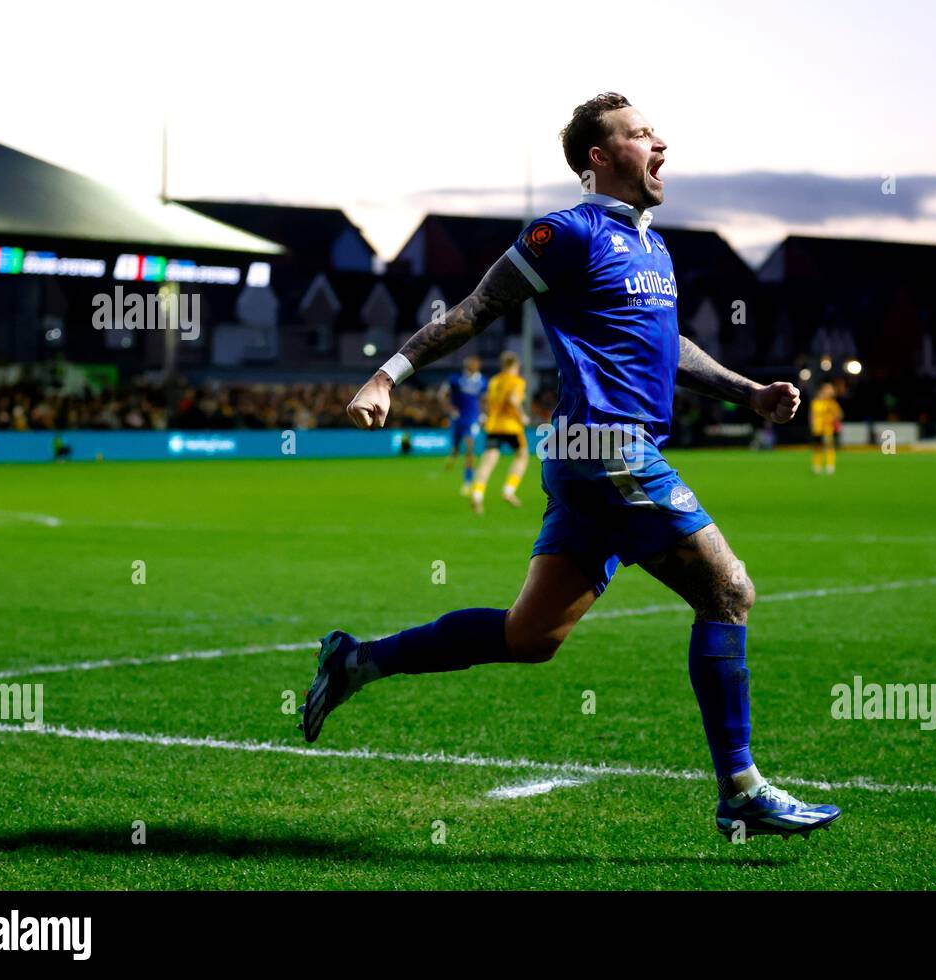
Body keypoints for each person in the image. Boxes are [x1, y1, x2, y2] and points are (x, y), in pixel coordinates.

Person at [300, 92, 840, 841]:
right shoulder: (567, 232)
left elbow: (666, 347)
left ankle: (358, 661)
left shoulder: (655, 247)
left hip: (590, 456)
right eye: (642, 133)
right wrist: (388, 374)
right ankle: (741, 786)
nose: (662, 142)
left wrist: (746, 390)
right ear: (599, 155)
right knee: (729, 589)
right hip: (606, 445)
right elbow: (472, 311)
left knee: (530, 639)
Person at [470, 351, 529, 512]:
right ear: (515, 366)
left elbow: (487, 402)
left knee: (489, 460)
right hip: (510, 426)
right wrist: (522, 416)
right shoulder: (517, 381)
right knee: (522, 456)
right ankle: (509, 490)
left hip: (493, 425)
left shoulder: (494, 381)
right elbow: (513, 400)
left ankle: (477, 494)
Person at [440, 355, 485, 496]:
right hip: (458, 418)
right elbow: (442, 395)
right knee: (456, 447)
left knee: (470, 448)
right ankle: (452, 456)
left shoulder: (483, 381)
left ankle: (468, 481)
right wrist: (450, 410)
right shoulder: (456, 380)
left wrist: (484, 414)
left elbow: (486, 399)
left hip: (473, 419)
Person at [810, 383, 842, 474]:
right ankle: (817, 465)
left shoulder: (831, 403)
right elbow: (812, 415)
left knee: (829, 446)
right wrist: (812, 424)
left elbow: (839, 414)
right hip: (817, 428)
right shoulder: (815, 402)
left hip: (828, 428)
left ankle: (830, 465)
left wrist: (834, 421)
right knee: (817, 447)